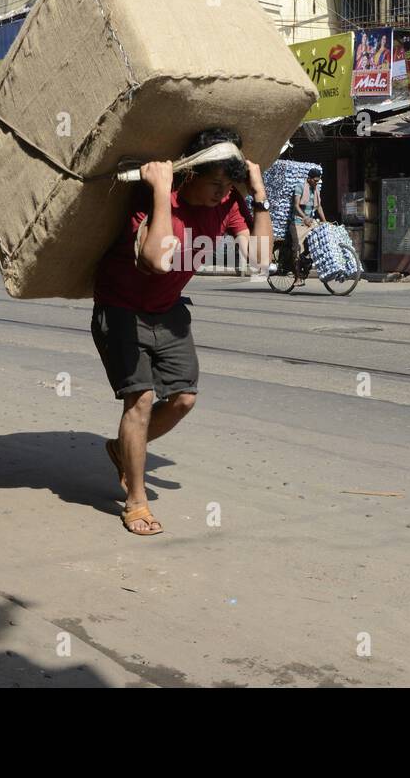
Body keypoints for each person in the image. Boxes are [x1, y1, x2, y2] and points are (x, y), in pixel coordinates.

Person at [92, 128, 270, 536]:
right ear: (189, 175)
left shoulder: (229, 203)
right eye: (216, 184)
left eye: (230, 185)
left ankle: (124, 450)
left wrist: (257, 192)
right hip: (121, 308)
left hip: (167, 310)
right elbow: (157, 261)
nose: (222, 193)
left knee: (184, 398)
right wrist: (159, 190)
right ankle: (136, 501)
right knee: (140, 400)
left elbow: (259, 258)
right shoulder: (152, 201)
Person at [290, 167, 326, 282]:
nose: (316, 183)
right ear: (309, 179)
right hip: (298, 222)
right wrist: (304, 217)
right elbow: (296, 205)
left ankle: (307, 262)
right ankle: (297, 278)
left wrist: (324, 221)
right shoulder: (300, 187)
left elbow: (319, 206)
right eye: (315, 180)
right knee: (298, 249)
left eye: (318, 181)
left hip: (310, 222)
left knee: (320, 239)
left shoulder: (316, 190)